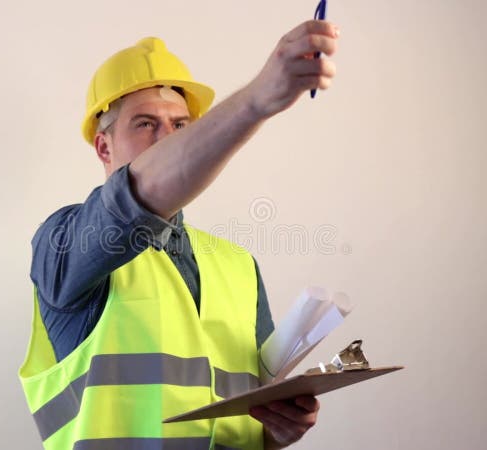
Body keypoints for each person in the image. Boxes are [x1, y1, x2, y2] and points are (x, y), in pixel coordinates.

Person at [19, 19, 340, 450]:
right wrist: (256, 100)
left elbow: (255, 419)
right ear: (103, 147)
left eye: (181, 125)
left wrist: (279, 430)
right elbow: (129, 202)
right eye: (146, 124)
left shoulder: (238, 265)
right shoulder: (62, 245)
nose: (167, 137)